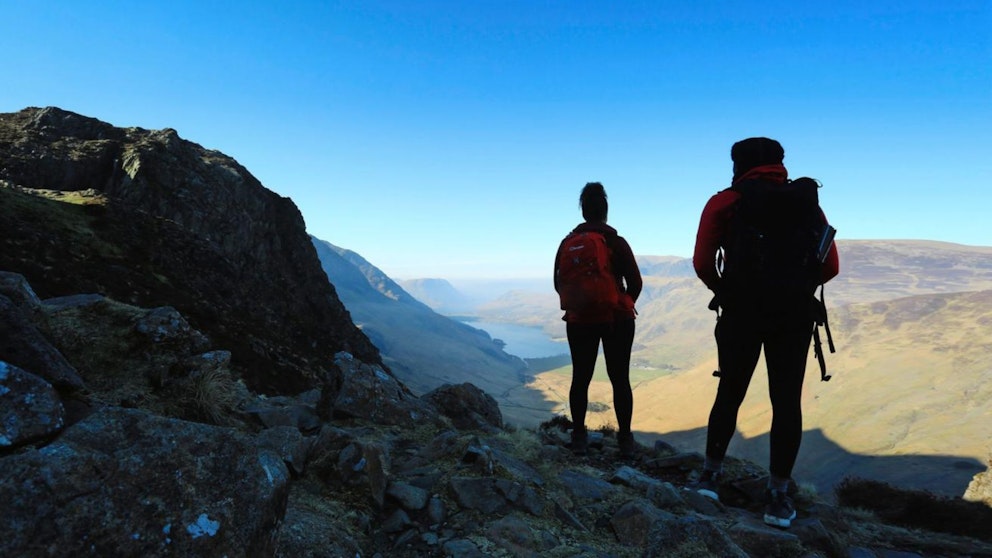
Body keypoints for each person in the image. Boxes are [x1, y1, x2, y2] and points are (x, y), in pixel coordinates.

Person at [691, 137, 840, 528]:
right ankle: (778, 497)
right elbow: (831, 266)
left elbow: (703, 262)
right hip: (793, 316)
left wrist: (725, 290)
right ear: (780, 164)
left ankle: (709, 478)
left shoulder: (725, 201)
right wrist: (793, 288)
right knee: (786, 401)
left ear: (738, 164)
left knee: (731, 392)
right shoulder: (807, 203)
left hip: (742, 312)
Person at [554, 182, 643, 459]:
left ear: (583, 211)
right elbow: (636, 283)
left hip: (579, 320)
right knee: (620, 379)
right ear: (605, 211)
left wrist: (582, 305)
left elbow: (559, 283)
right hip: (617, 319)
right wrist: (622, 303)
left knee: (580, 377)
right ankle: (625, 441)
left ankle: (579, 437)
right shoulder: (617, 242)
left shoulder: (568, 243)